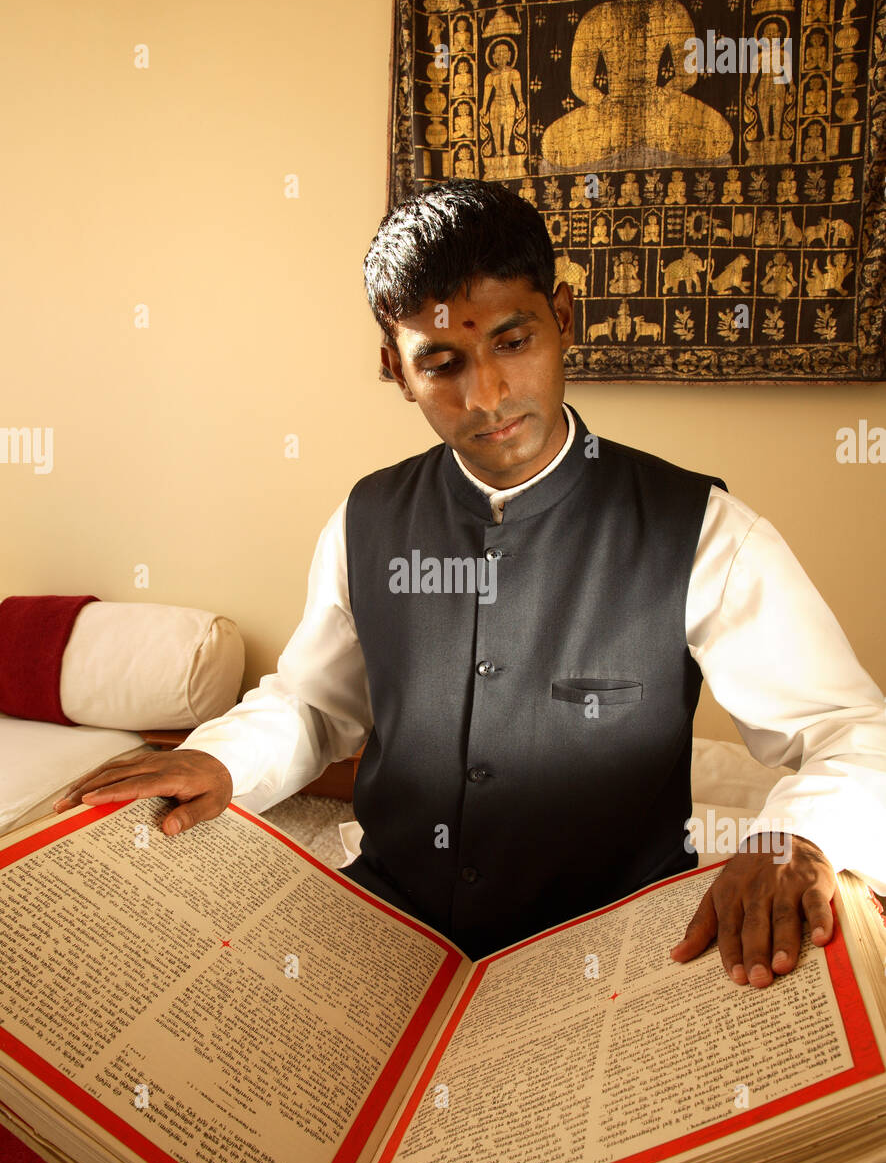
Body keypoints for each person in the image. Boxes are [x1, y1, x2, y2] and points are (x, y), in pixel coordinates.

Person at [56, 180, 886, 989]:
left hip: (617, 953)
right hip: (389, 927)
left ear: (564, 319)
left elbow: (850, 733)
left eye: (513, 343)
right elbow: (314, 706)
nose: (486, 397)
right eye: (442, 363)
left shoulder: (704, 529)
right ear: (397, 369)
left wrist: (793, 836)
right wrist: (219, 757)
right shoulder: (364, 518)